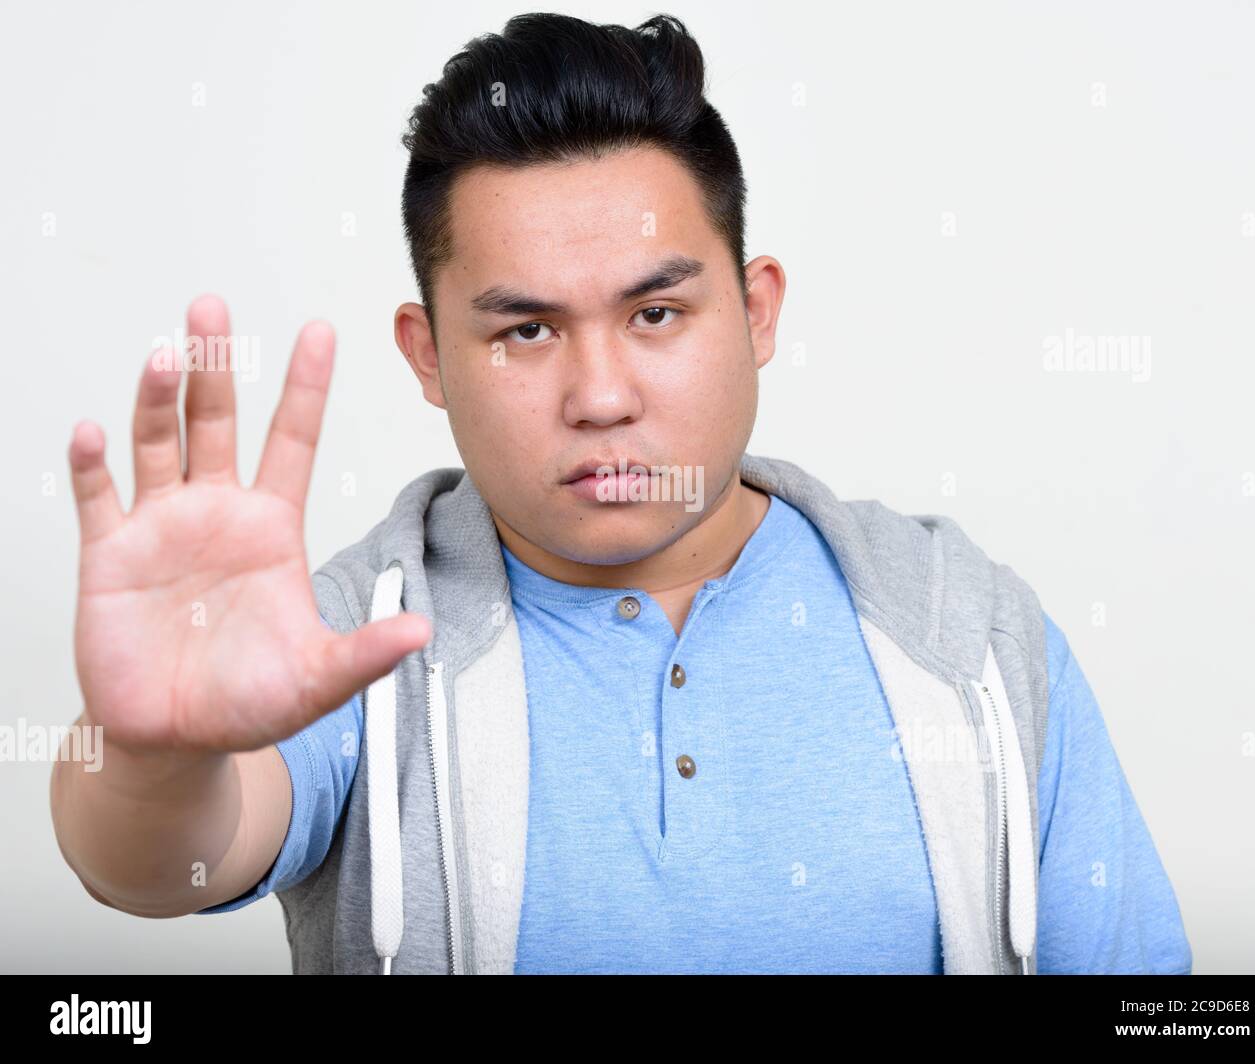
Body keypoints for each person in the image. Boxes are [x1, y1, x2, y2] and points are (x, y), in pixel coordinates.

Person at [50, 12, 1192, 974]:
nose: (600, 396)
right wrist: (153, 754)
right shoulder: (353, 641)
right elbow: (162, 861)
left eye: (655, 314)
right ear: (428, 355)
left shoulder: (966, 632)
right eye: (526, 330)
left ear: (756, 311)